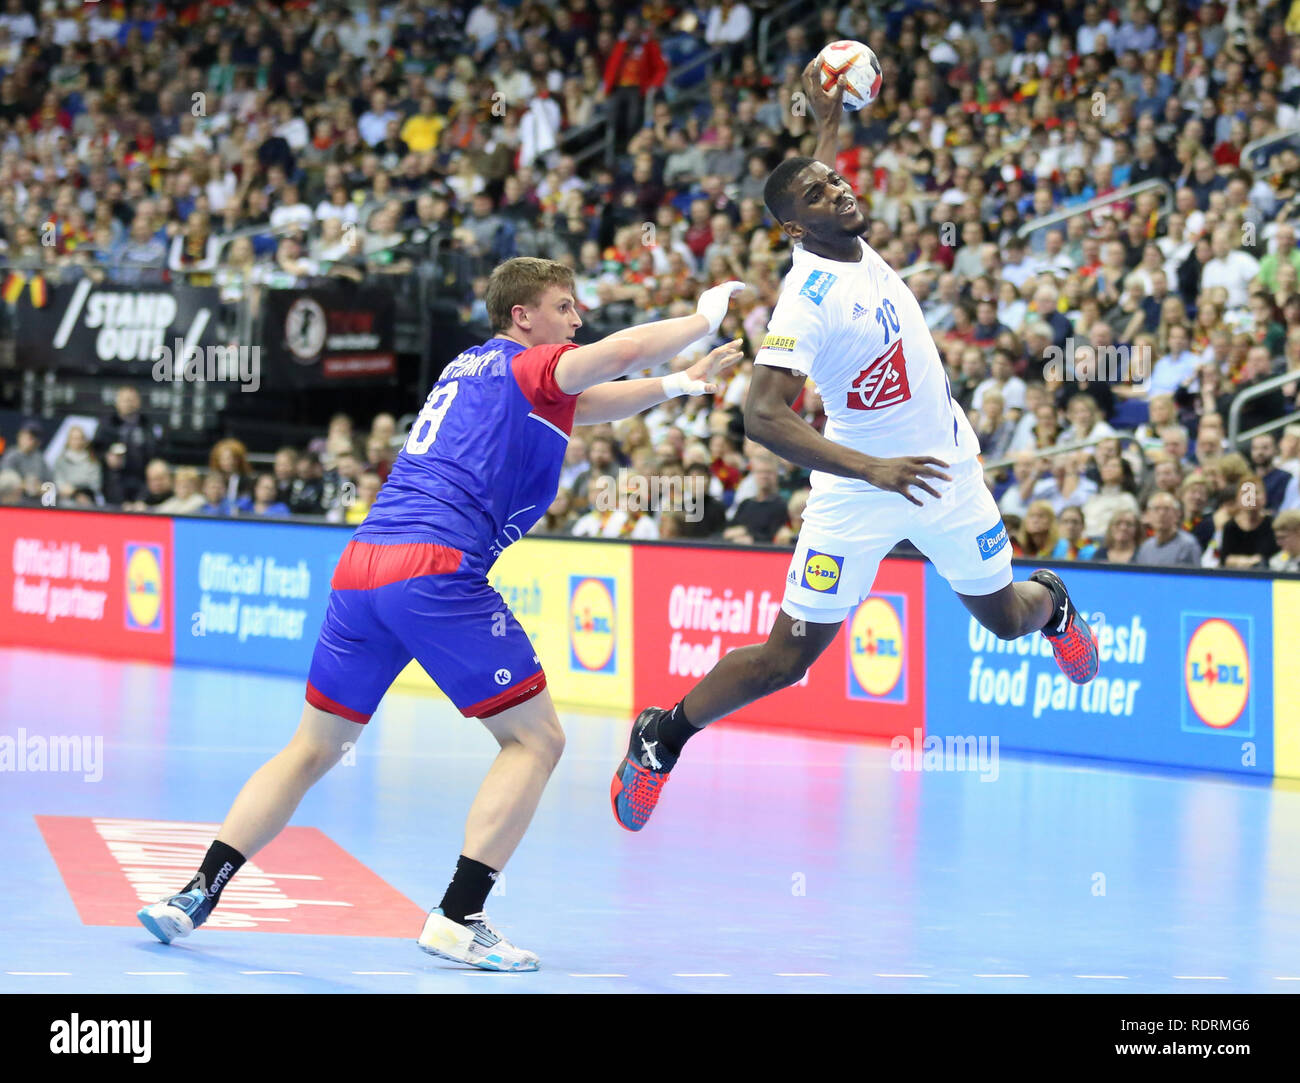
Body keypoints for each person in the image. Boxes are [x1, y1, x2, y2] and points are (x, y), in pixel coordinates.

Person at [137, 257, 746, 972]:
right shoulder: (531, 366)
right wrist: (703, 317)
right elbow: (621, 352)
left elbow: (593, 398)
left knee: (311, 748)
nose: (578, 319)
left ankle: (192, 894)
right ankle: (460, 915)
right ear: (524, 317)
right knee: (537, 740)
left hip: (363, 567)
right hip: (435, 569)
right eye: (564, 305)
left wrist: (679, 383)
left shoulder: (475, 369)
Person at [609, 68, 1099, 834]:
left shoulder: (841, 230)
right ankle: (661, 734)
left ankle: (1055, 600)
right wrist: (871, 469)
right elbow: (762, 419)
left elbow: (811, 177)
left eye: (835, 181)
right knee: (786, 659)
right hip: (858, 483)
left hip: (944, 467)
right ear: (797, 230)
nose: (839, 191)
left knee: (1006, 618)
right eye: (820, 195)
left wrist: (829, 121)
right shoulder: (805, 305)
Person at [1135, 493, 1203, 567]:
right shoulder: (1145, 548)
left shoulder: (1188, 545)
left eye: (1166, 509)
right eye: (1156, 509)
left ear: (1177, 514)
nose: (1161, 514)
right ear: (1148, 515)